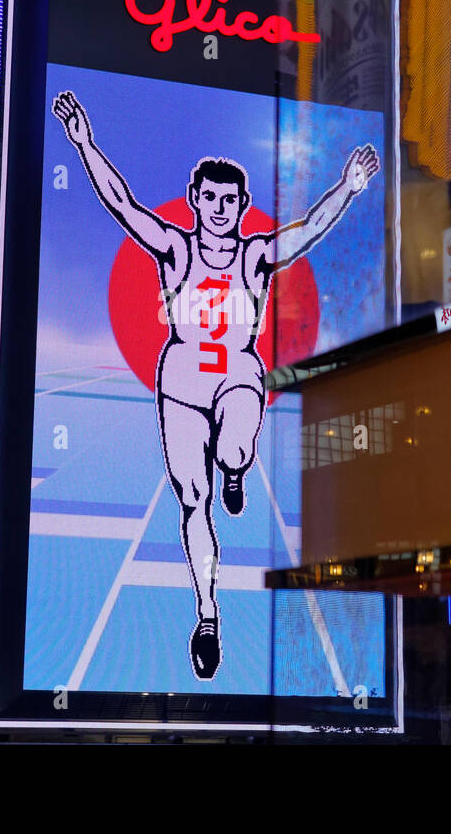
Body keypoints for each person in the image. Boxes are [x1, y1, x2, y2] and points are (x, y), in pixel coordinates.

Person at [53, 90, 379, 680]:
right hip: (179, 378)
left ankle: (236, 467)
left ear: (241, 203)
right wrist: (85, 145)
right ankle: (207, 613)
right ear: (198, 201)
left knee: (234, 448)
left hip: (236, 372)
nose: (221, 207)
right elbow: (123, 204)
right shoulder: (175, 250)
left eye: (232, 199)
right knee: (192, 500)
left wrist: (349, 188)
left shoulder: (256, 256)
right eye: (211, 198)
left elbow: (308, 231)